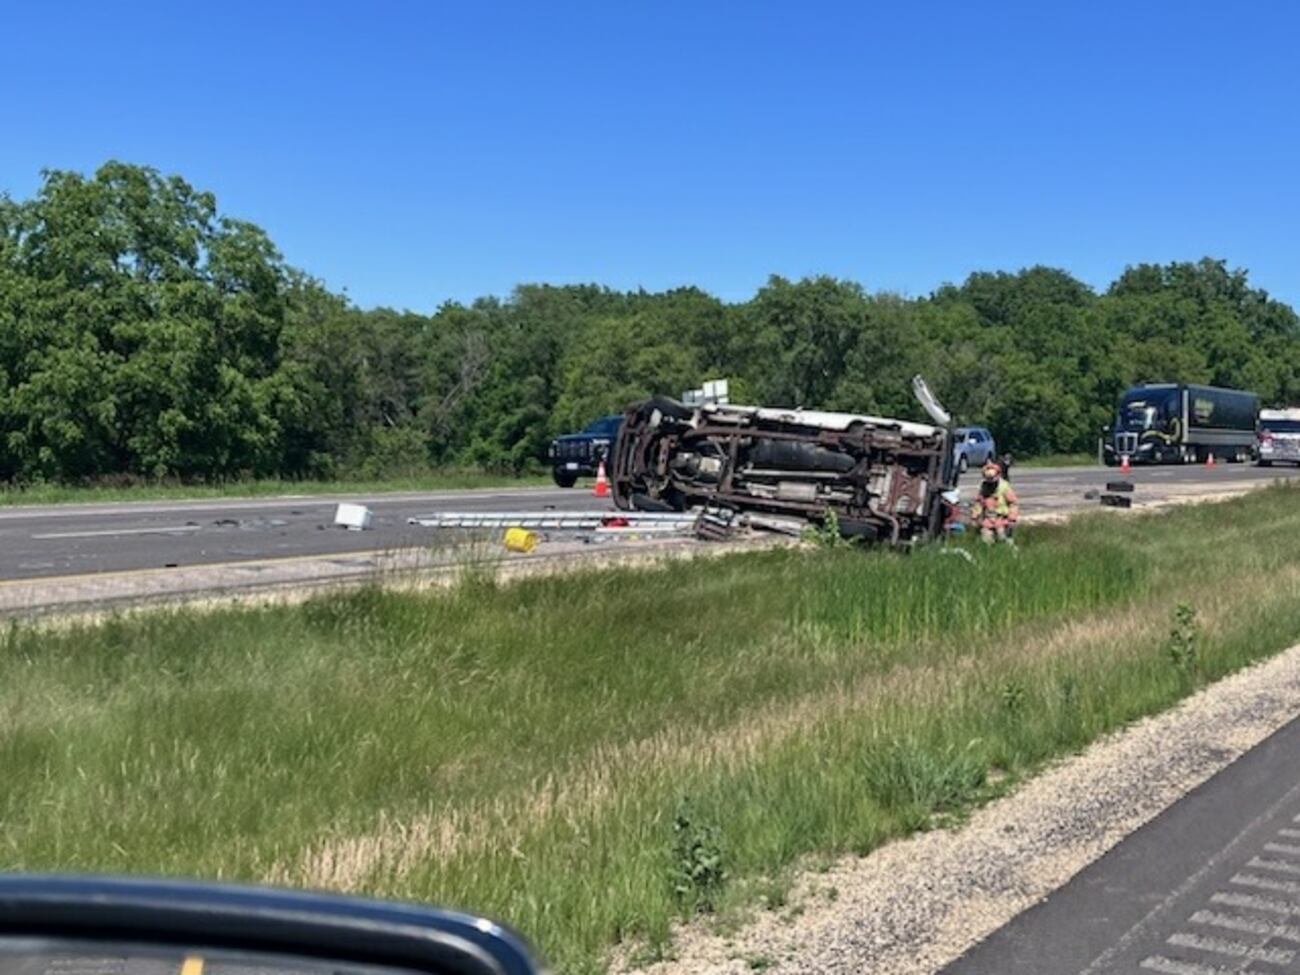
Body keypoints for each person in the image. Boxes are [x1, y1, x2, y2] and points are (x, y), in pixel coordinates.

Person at [969, 461, 1018, 543]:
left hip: (1002, 518)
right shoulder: (984, 487)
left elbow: (1013, 503)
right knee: (986, 538)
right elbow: (979, 503)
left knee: (1002, 537)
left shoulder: (1004, 487)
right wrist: (975, 516)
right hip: (988, 518)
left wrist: (1012, 518)